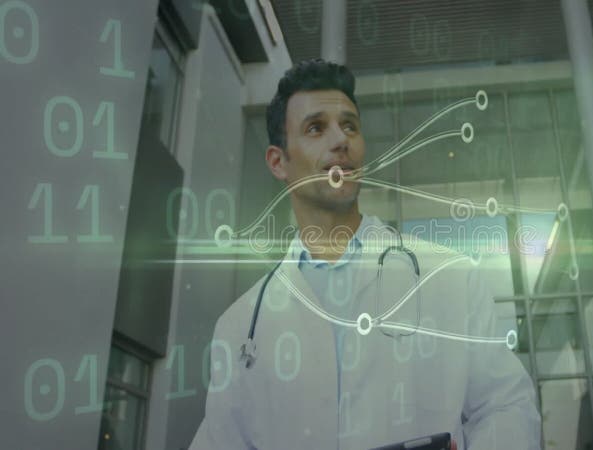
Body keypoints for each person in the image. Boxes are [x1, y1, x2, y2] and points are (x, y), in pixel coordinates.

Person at [189, 59, 542, 450]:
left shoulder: (449, 276)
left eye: (350, 126)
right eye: (316, 128)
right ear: (278, 162)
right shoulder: (240, 327)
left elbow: (507, 406)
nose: (341, 140)